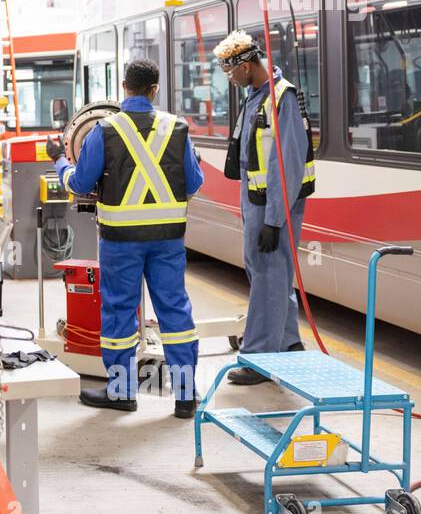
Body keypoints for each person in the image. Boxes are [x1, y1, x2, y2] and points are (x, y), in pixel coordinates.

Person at [46, 59, 204, 418]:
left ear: (124, 86)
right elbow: (193, 183)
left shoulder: (105, 130)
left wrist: (58, 160)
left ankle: (122, 393)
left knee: (119, 313)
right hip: (167, 239)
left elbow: (79, 184)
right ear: (155, 90)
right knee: (174, 311)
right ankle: (184, 397)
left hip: (121, 241)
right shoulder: (176, 129)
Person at [213, 31, 316, 384]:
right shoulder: (257, 96)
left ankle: (259, 358)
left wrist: (274, 219)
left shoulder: (280, 98)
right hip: (256, 202)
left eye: (230, 72)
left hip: (273, 206)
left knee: (268, 277)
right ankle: (287, 344)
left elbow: (287, 162)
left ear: (244, 66)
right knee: (270, 274)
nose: (229, 79)